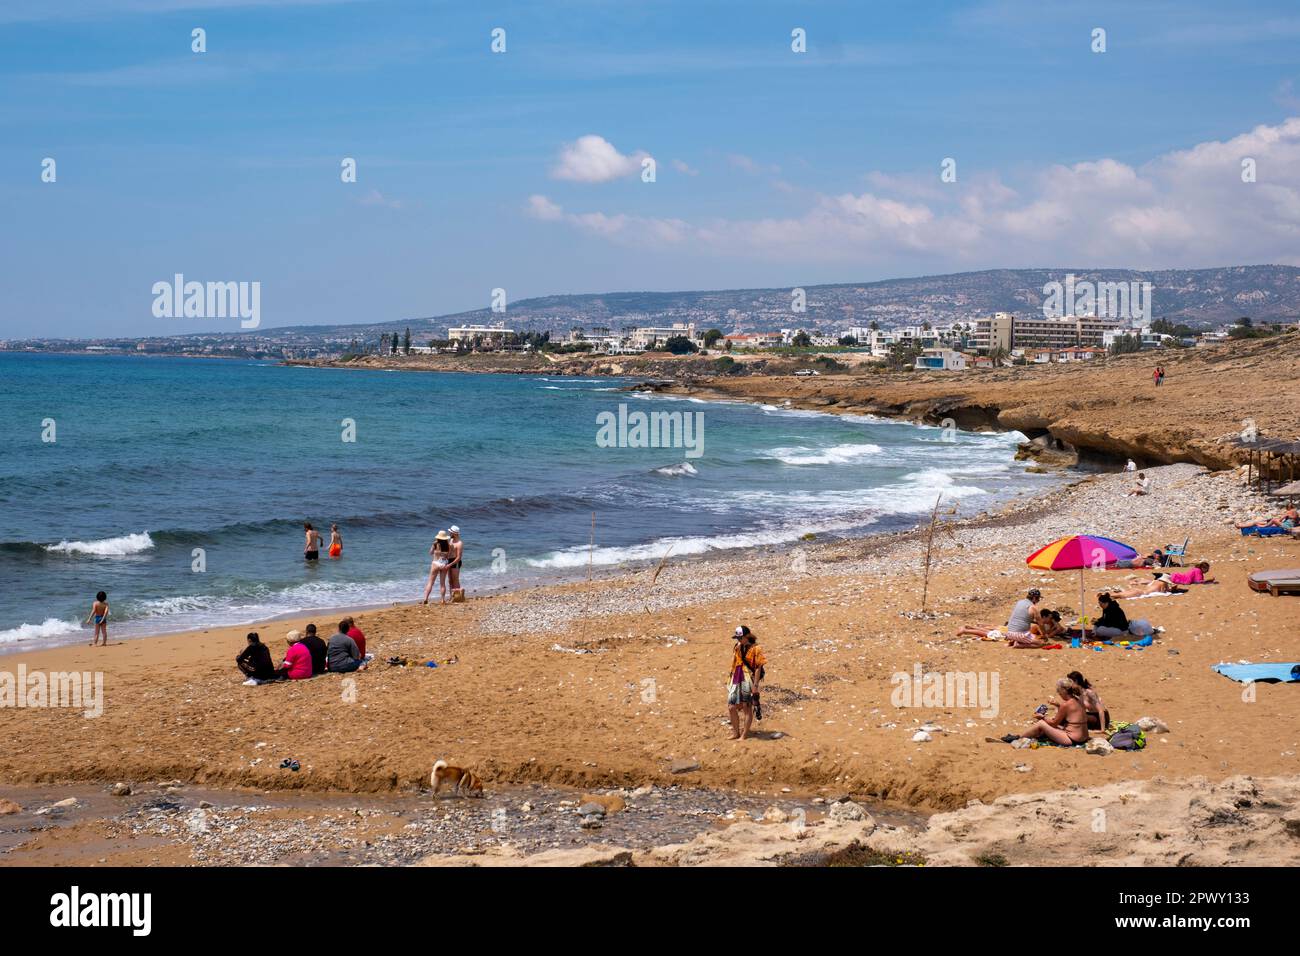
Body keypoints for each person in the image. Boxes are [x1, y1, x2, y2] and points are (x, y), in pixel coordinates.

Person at [1004, 678, 1089, 746]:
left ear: (1064, 690)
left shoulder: (1065, 705)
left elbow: (1054, 724)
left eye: (1058, 690)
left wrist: (1042, 717)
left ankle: (1018, 738)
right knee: (1046, 726)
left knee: (1041, 724)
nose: (1058, 692)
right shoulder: (1078, 700)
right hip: (1083, 737)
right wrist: (1058, 705)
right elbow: (1071, 714)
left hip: (1072, 739)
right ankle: (1023, 736)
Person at [954, 588, 1041, 640]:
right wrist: (1046, 635)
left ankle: (970, 628)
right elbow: (1040, 625)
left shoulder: (1020, 602)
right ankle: (965, 631)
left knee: (994, 632)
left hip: (1010, 628)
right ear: (1034, 598)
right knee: (991, 634)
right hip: (1015, 633)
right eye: (1038, 599)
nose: (1038, 601)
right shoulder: (1033, 608)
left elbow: (1025, 618)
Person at [727, 625, 766, 740]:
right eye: (737, 638)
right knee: (731, 707)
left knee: (746, 707)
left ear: (747, 636)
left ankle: (744, 735)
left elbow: (758, 667)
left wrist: (755, 686)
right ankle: (735, 733)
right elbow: (735, 662)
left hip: (749, 679)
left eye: (740, 638)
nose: (738, 640)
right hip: (737, 677)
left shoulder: (756, 649)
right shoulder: (738, 647)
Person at [422, 531, 453, 605]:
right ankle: (442, 600)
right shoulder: (448, 545)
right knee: (442, 583)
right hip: (444, 564)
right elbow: (448, 555)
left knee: (430, 582)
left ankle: (426, 599)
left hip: (435, 563)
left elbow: (430, 553)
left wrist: (436, 552)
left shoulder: (435, 544)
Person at [447, 526, 464, 595]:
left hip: (455, 561)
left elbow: (459, 557)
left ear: (455, 533)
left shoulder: (459, 543)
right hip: (449, 560)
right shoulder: (451, 540)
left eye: (450, 532)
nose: (449, 533)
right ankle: (452, 596)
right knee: (450, 580)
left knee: (455, 579)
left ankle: (458, 596)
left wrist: (450, 564)